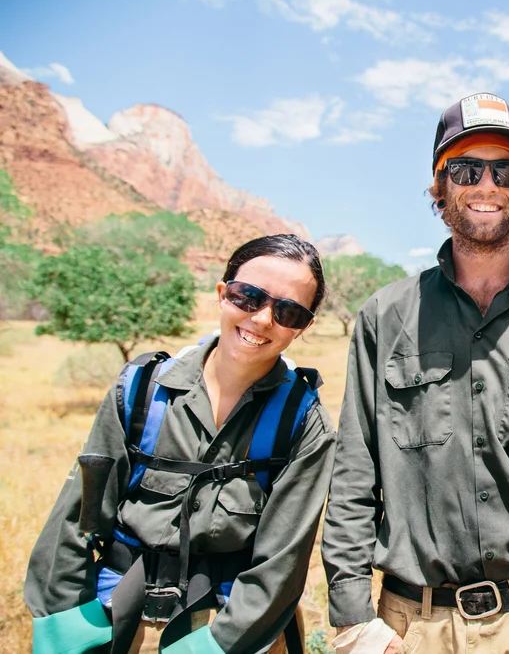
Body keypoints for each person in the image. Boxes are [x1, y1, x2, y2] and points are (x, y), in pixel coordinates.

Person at [323, 92, 509, 654]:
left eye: (505, 169)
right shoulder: (386, 316)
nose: (486, 185)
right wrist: (352, 617)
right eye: (465, 168)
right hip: (407, 629)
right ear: (440, 189)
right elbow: (353, 473)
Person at [25, 234, 337, 654]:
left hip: (228, 621)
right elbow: (76, 517)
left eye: (287, 311)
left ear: (303, 327)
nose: (263, 319)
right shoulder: (141, 390)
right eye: (249, 297)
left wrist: (216, 643)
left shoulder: (303, 422)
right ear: (222, 293)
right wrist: (64, 621)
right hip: (115, 603)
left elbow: (281, 563)